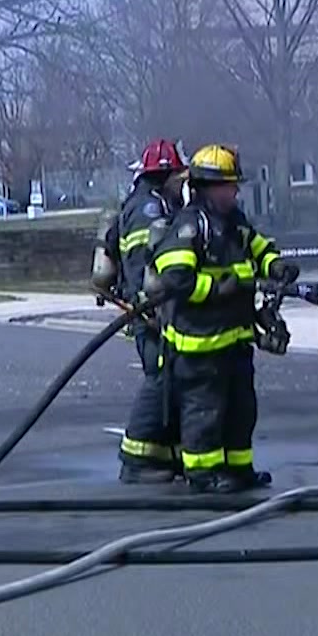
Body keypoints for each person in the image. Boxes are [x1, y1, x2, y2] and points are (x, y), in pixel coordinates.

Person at [149, 144, 298, 494]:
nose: (234, 192)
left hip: (235, 339)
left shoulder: (234, 221)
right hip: (200, 346)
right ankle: (203, 474)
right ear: (206, 187)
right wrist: (220, 288)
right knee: (205, 413)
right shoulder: (190, 226)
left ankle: (239, 470)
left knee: (240, 410)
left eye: (234, 185)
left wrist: (276, 265)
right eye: (228, 185)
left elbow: (258, 247)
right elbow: (176, 280)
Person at [106, 139, 190, 484]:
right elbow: (144, 261)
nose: (182, 185)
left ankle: (169, 456)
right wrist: (151, 307)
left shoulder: (144, 202)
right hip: (150, 312)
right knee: (160, 379)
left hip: (151, 310)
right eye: (178, 178)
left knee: (173, 381)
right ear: (164, 176)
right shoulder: (149, 209)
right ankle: (135, 461)